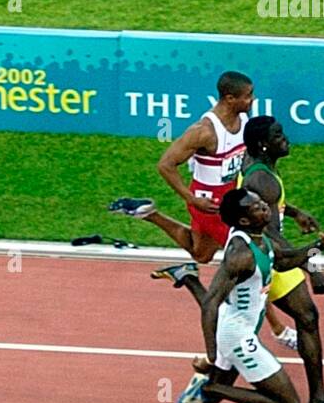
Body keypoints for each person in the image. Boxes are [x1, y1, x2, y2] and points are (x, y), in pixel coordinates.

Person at [139, 189, 324, 403]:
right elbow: (212, 301)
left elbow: (283, 261)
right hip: (236, 336)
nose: (264, 207)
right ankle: (212, 386)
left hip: (239, 327)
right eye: (256, 207)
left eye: (261, 203)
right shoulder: (239, 254)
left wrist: (320, 246)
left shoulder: (259, 236)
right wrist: (213, 354)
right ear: (243, 219)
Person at [153, 116, 324, 403]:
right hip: (267, 254)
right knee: (303, 318)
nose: (286, 139)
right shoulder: (261, 179)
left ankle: (190, 284)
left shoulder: (261, 171)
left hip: (267, 250)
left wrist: (295, 213)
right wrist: (312, 264)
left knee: (295, 319)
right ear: (263, 144)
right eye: (278, 135)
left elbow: (271, 207)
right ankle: (314, 400)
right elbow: (270, 233)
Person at [108, 71, 254, 266]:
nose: (252, 100)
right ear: (230, 98)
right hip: (210, 203)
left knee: (202, 254)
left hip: (232, 195)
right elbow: (165, 165)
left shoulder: (242, 120)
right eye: (248, 95)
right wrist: (192, 199)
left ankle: (149, 213)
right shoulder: (203, 132)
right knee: (248, 251)